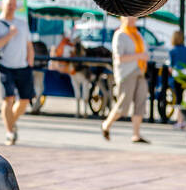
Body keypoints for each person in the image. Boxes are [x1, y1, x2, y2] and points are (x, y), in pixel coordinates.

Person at [0, 0, 34, 144]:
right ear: (2, 5)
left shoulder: (22, 23)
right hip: (4, 65)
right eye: (9, 3)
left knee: (25, 100)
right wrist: (9, 34)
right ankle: (9, 133)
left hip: (23, 66)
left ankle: (10, 123)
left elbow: (29, 44)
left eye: (14, 4)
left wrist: (30, 61)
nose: (12, 6)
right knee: (9, 98)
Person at [102, 15, 150, 143]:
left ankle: (136, 134)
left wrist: (144, 56)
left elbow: (145, 51)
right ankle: (106, 124)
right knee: (123, 105)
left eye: (134, 18)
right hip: (126, 73)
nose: (132, 20)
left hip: (140, 72)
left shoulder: (138, 35)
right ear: (122, 19)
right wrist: (139, 56)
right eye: (129, 18)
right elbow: (119, 58)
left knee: (141, 103)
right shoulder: (120, 35)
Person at [50, 28, 91, 118]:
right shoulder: (65, 45)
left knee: (83, 90)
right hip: (71, 69)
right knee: (77, 92)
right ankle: (79, 111)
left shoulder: (70, 46)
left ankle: (84, 111)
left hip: (77, 68)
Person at [168, 28, 186, 130]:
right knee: (182, 97)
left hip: (177, 75)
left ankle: (180, 121)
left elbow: (170, 66)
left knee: (178, 99)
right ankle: (182, 121)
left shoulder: (172, 51)